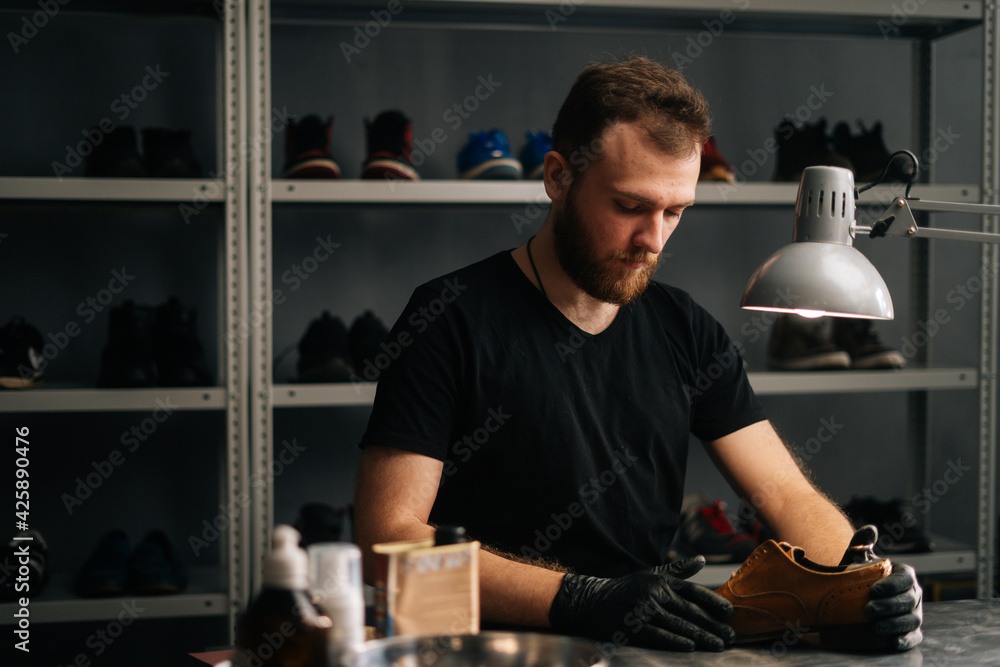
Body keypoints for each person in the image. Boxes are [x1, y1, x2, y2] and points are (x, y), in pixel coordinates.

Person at [353, 56, 923, 653]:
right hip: (484, 653)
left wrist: (856, 579)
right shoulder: (448, 318)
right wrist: (579, 598)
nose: (653, 240)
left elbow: (784, 492)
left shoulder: (685, 328)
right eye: (630, 206)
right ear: (558, 178)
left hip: (640, 647)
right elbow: (385, 542)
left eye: (674, 212)